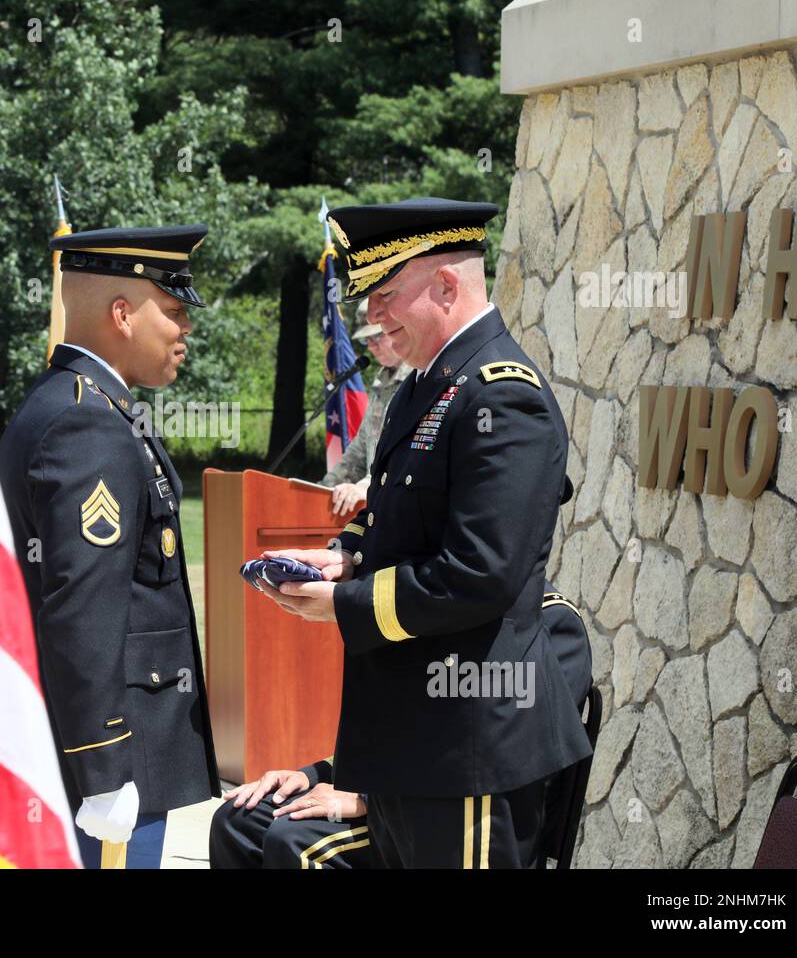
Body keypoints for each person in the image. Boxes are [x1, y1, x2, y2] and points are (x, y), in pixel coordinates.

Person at [254, 198, 592, 868]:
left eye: (385, 294)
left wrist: (345, 606)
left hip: (469, 741)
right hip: (413, 737)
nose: (372, 316)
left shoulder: (502, 393)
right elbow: (401, 526)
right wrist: (338, 564)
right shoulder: (424, 390)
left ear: (446, 286)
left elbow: (482, 573)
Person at [0, 225, 220, 869]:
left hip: (99, 745)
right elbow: (82, 611)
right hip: (110, 757)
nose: (185, 330)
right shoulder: (88, 421)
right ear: (121, 314)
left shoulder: (77, 403)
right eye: (173, 312)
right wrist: (102, 768)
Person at [209, 583, 591, 869]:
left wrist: (366, 801)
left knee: (296, 841)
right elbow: (398, 730)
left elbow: (503, 759)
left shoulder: (552, 624)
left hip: (463, 820)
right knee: (238, 821)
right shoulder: (440, 605)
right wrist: (312, 775)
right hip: (391, 789)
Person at [320, 302, 407, 517]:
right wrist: (322, 488)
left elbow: (406, 456)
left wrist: (366, 486)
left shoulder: (420, 380)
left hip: (400, 510)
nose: (370, 346)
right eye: (367, 340)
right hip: (372, 510)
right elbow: (359, 451)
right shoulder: (381, 383)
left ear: (399, 329)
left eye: (378, 337)